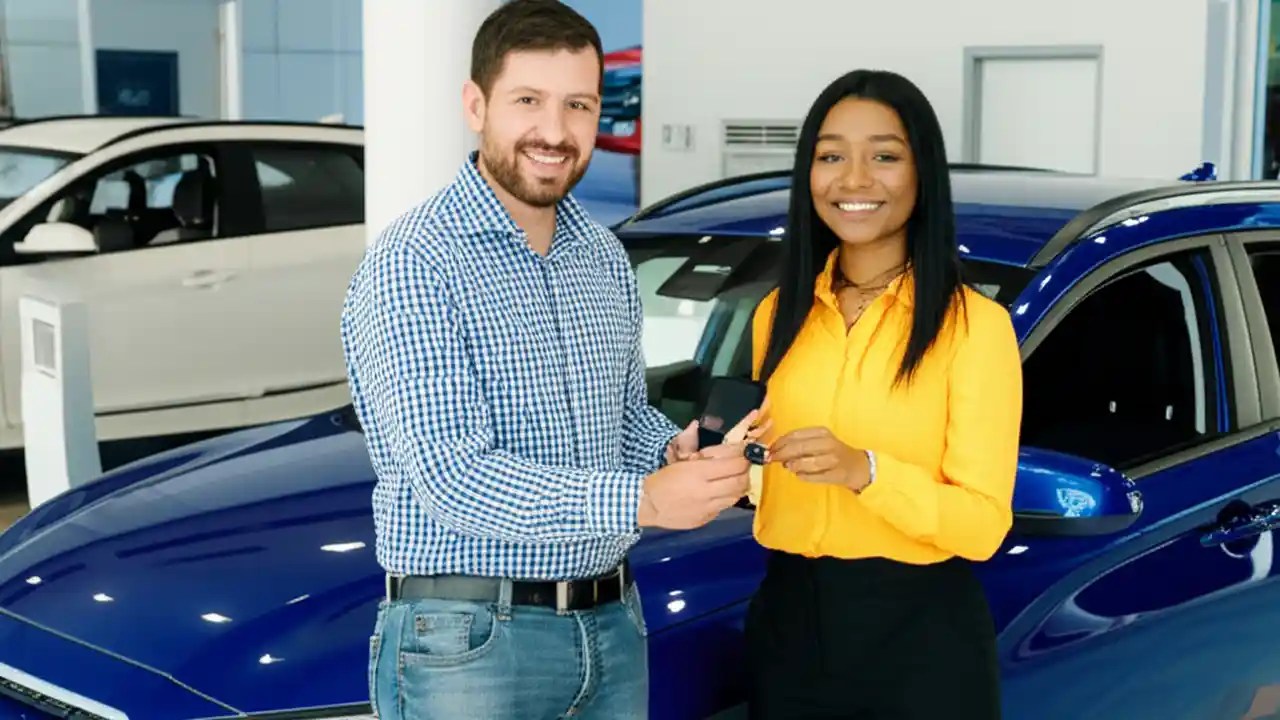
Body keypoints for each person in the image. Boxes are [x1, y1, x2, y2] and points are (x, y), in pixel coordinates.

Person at [339, 2, 752, 718]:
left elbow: (620, 421)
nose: (555, 133)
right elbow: (452, 476)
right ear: (477, 105)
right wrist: (647, 500)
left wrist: (673, 452)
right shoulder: (415, 263)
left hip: (612, 623)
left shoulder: (602, 258)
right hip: (469, 642)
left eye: (579, 105)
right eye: (528, 101)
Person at [743, 69, 1023, 719]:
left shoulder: (975, 329)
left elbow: (984, 526)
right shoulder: (777, 315)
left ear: (922, 172)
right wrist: (729, 466)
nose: (854, 180)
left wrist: (866, 470)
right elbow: (763, 474)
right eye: (831, 155)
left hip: (919, 639)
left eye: (885, 157)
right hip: (786, 625)